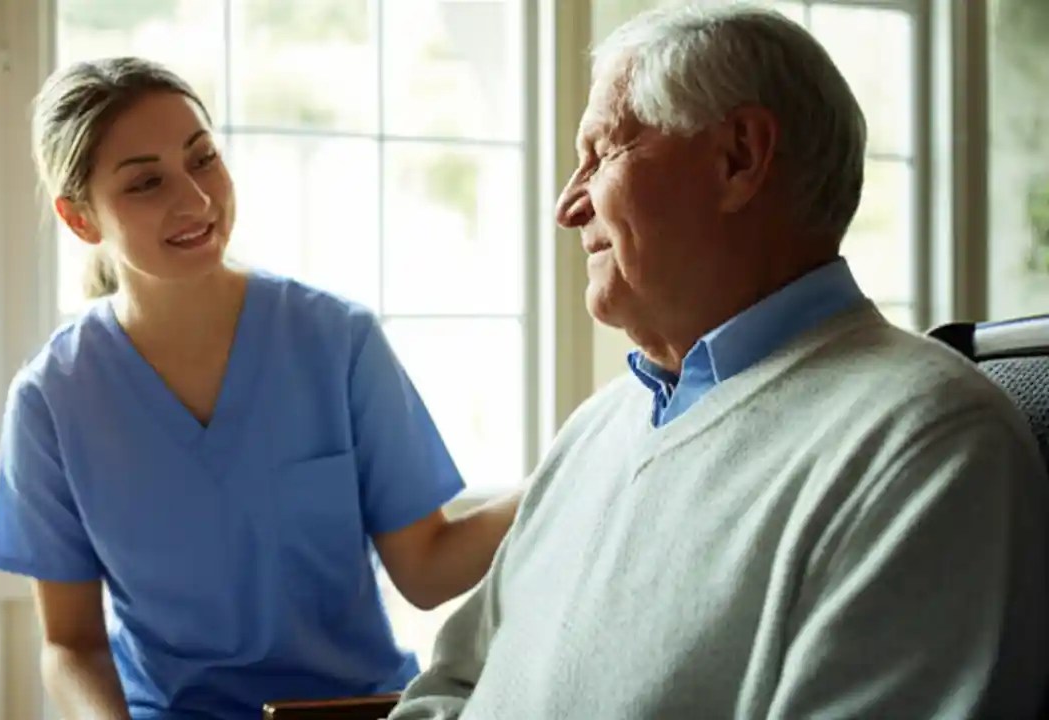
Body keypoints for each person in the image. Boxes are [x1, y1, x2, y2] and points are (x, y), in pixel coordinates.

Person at [391, 5, 1048, 718]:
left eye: (602, 152)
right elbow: (450, 692)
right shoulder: (597, 427)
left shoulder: (927, 444)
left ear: (739, 157)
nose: (568, 205)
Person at [0, 56, 520, 720]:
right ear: (80, 219)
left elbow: (427, 569)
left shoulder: (337, 341)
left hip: (355, 711)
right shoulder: (51, 401)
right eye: (147, 182)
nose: (196, 200)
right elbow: (71, 644)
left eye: (203, 158)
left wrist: (574, 463)